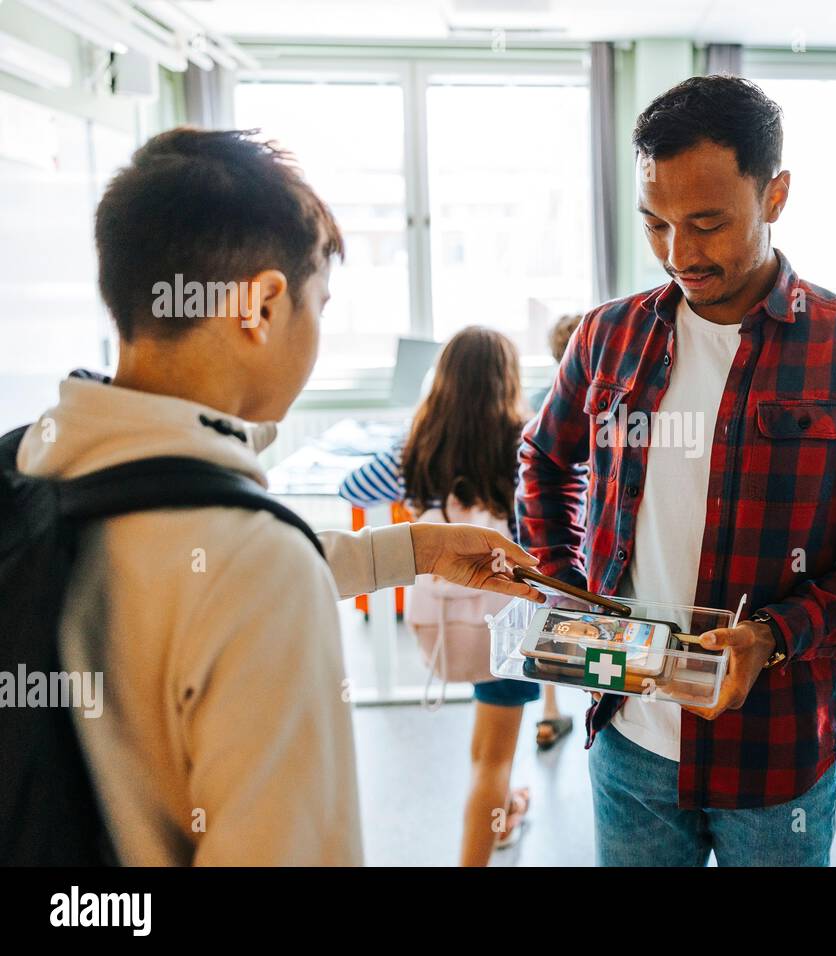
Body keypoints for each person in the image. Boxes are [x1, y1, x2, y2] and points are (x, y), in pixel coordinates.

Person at [14, 128, 540, 866]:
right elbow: (238, 580)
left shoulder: (36, 464)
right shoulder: (253, 566)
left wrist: (416, 549)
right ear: (262, 305)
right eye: (320, 302)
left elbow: (181, 588)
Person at [517, 76, 836, 867]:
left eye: (708, 224)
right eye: (656, 224)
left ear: (775, 194)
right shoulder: (608, 336)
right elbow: (544, 461)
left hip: (776, 751)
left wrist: (774, 638)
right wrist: (563, 592)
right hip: (627, 738)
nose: (680, 253)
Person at [339, 326, 542, 864]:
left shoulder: (421, 446)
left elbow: (353, 488)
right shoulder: (527, 443)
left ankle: (503, 812)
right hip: (511, 624)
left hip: (445, 617)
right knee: (492, 760)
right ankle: (482, 841)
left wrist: (412, 467)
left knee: (487, 751)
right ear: (509, 381)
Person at [528, 313, 583, 749]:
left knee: (547, 609)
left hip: (539, 534)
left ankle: (550, 708)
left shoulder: (535, 397)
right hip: (578, 530)